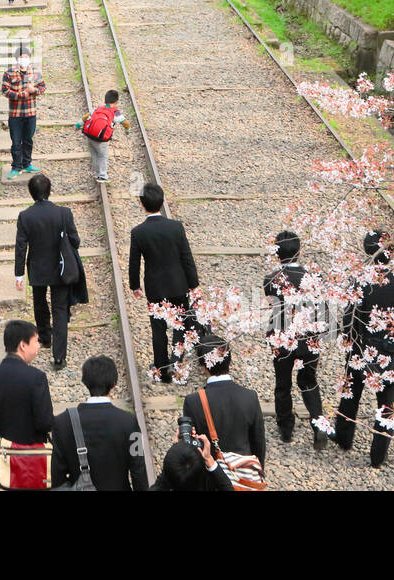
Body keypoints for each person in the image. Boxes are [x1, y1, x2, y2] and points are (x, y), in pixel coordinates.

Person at [335, 230, 394, 468]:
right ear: (391, 253)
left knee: (351, 395)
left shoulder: (359, 282)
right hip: (389, 350)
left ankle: (344, 438)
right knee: (386, 404)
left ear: (368, 252)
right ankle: (378, 455)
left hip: (361, 348)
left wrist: (349, 340)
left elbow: (348, 320)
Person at [263, 230, 329, 450]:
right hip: (309, 338)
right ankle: (318, 424)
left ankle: (286, 430)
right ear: (299, 252)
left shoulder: (271, 280)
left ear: (276, 253)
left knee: (282, 384)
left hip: (282, 339)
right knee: (309, 381)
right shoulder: (314, 278)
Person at [129, 182, 201, 383]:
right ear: (162, 202)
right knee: (180, 324)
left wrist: (134, 285)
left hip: (155, 288)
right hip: (179, 284)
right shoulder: (176, 227)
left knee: (158, 328)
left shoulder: (139, 232)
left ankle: (161, 368)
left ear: (141, 204)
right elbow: (187, 257)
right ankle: (177, 362)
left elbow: (134, 262)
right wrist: (194, 285)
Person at [0, 319, 54, 486]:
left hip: (3, 459)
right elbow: (45, 423)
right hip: (33, 458)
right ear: (22, 345)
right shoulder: (36, 377)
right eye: (36, 341)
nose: (38, 346)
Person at [50, 356, 149, 490]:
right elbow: (138, 470)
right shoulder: (129, 422)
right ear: (114, 383)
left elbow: (57, 475)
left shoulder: (62, 422)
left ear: (84, 382)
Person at [14, 173, 79, 369]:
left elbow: (21, 246)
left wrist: (19, 274)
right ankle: (59, 357)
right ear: (49, 191)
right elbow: (75, 241)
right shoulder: (64, 213)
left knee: (40, 302)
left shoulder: (25, 216)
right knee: (60, 309)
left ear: (31, 193)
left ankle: (44, 336)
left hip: (38, 267)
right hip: (61, 268)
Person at [182, 335, 266, 470]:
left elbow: (191, 446)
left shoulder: (193, 401)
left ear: (203, 366)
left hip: (211, 475)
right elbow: (259, 443)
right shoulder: (250, 397)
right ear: (229, 360)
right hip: (243, 475)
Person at [1, 46, 45, 178]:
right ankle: (16, 167)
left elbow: (42, 87)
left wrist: (34, 91)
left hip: (31, 113)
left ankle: (27, 164)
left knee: (28, 139)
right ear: (17, 59)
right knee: (16, 141)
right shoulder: (9, 73)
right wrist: (20, 95)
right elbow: (5, 90)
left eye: (26, 57)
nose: (24, 59)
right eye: (21, 57)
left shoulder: (35, 72)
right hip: (15, 114)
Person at [75, 89, 128, 183]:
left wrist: (77, 125)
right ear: (116, 102)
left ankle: (97, 173)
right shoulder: (115, 112)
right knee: (103, 155)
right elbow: (125, 122)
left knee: (95, 155)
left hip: (89, 135)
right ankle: (102, 175)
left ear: (105, 101)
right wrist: (127, 130)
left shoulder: (98, 108)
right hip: (100, 139)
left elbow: (85, 117)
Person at [150, 436, 234, 491]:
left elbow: (161, 483)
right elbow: (227, 487)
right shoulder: (204, 484)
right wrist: (209, 460)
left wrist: (176, 454)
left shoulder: (168, 478)